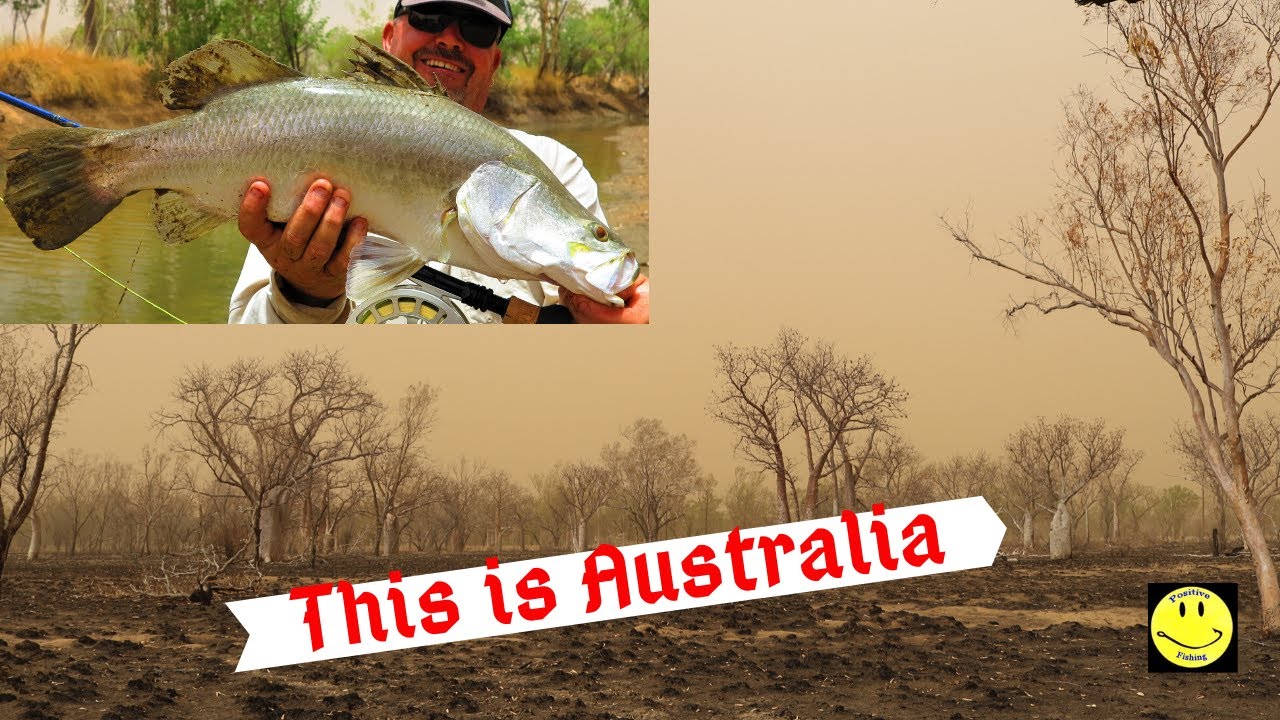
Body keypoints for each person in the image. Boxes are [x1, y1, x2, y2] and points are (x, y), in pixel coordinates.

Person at [228, 0, 649, 324]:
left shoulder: (556, 165)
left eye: (476, 27)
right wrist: (304, 294)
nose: (449, 38)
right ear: (388, 38)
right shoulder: (306, 136)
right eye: (430, 16)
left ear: (495, 61)